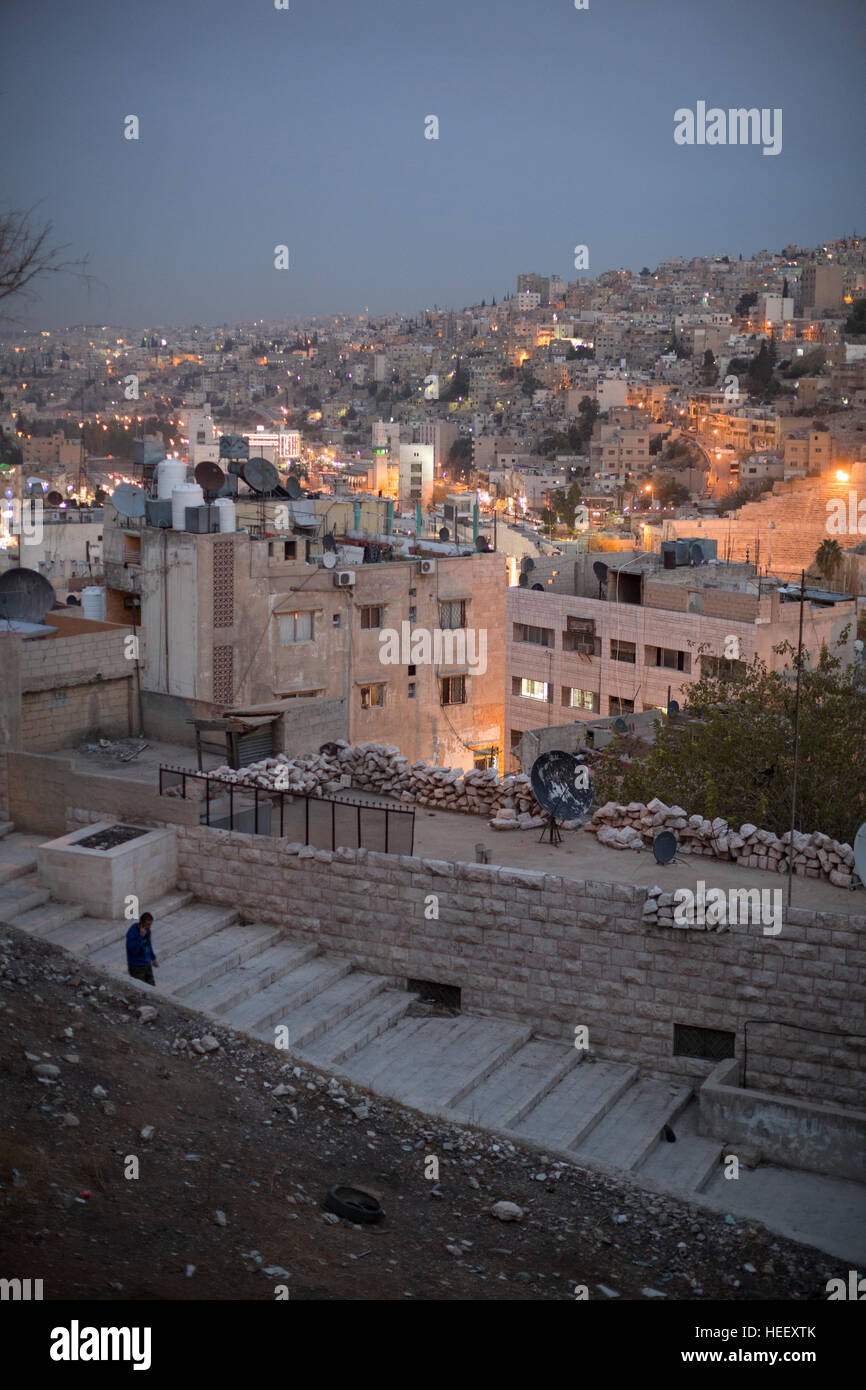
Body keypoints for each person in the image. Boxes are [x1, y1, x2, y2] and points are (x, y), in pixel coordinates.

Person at [126, 912, 159, 986]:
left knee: (152, 986)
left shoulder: (148, 931)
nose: (149, 927)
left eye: (150, 924)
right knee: (140, 987)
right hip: (136, 966)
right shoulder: (132, 933)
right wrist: (140, 937)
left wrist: (153, 958)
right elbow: (134, 951)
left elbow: (148, 945)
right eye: (147, 925)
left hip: (146, 963)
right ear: (141, 923)